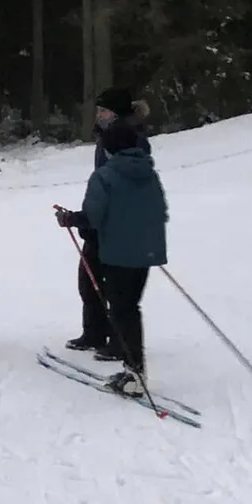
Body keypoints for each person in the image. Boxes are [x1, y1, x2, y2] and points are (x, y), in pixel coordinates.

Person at [56, 120, 167, 396]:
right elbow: (160, 211)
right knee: (130, 307)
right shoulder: (149, 173)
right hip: (145, 251)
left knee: (121, 309)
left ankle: (135, 373)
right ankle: (133, 369)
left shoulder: (105, 175)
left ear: (109, 149)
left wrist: (69, 219)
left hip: (117, 253)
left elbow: (93, 216)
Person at [67, 87, 152, 359]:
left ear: (117, 113)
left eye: (104, 110)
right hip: (103, 218)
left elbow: (124, 183)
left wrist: (88, 217)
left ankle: (118, 342)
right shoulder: (106, 136)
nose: (99, 115)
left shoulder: (128, 138)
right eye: (99, 110)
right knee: (89, 277)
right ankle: (95, 332)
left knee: (116, 288)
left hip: (117, 225)